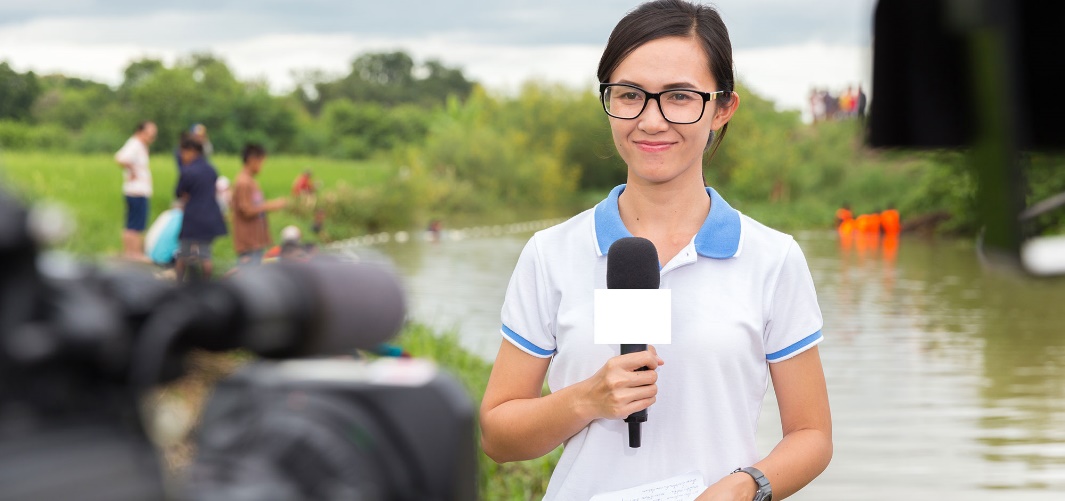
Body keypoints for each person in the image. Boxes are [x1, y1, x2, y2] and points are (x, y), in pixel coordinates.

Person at [479, 2, 832, 500]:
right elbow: (497, 435)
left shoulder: (773, 260)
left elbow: (812, 436)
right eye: (630, 95)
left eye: (680, 97)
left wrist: (744, 487)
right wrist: (586, 399)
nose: (651, 120)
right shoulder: (551, 254)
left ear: (722, 107)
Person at [174, 135, 227, 281]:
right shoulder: (211, 169)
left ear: (191, 151)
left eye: (183, 153)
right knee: (205, 254)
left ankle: (178, 283)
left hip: (193, 216)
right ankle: (206, 285)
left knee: (183, 252)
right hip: (211, 215)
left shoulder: (187, 171)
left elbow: (180, 193)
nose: (182, 157)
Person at [231, 143, 288, 266]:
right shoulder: (243, 183)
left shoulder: (251, 181)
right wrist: (272, 205)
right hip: (248, 243)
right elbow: (247, 210)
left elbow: (256, 205)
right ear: (252, 160)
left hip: (255, 242)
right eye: (261, 162)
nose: (262, 166)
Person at [114, 120, 157, 262]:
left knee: (133, 223)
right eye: (149, 134)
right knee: (136, 224)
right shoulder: (135, 144)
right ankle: (135, 253)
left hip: (137, 190)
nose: (152, 137)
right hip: (136, 190)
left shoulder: (138, 145)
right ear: (140, 132)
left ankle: (130, 253)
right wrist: (132, 170)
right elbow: (120, 158)